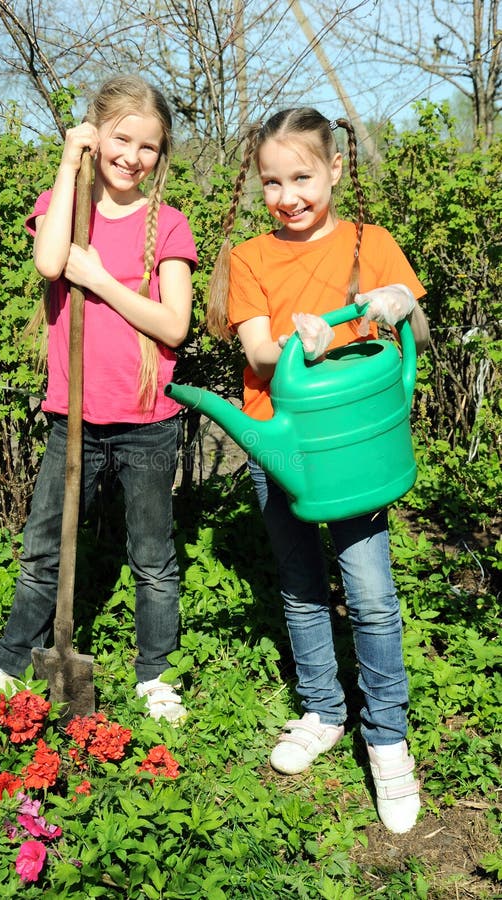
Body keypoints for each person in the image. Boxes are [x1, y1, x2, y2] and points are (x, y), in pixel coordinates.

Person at [0, 74, 197, 724]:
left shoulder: (168, 224)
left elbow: (174, 326)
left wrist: (104, 281)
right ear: (96, 134)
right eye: (121, 138)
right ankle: (4, 667)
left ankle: (156, 676)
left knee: (153, 560)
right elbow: (50, 264)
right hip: (72, 420)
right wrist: (67, 161)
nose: (132, 154)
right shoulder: (66, 205)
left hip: (147, 424)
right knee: (42, 553)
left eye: (148, 145)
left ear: (160, 155)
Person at [207, 107, 428, 833]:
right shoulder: (249, 259)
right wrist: (296, 338)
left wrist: (394, 303)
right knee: (302, 587)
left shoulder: (372, 242)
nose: (288, 195)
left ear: (333, 168)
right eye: (272, 182)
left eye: (302, 176)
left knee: (369, 593)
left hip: (356, 451)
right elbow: (256, 350)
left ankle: (388, 737)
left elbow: (413, 326)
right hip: (283, 448)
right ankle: (323, 710)